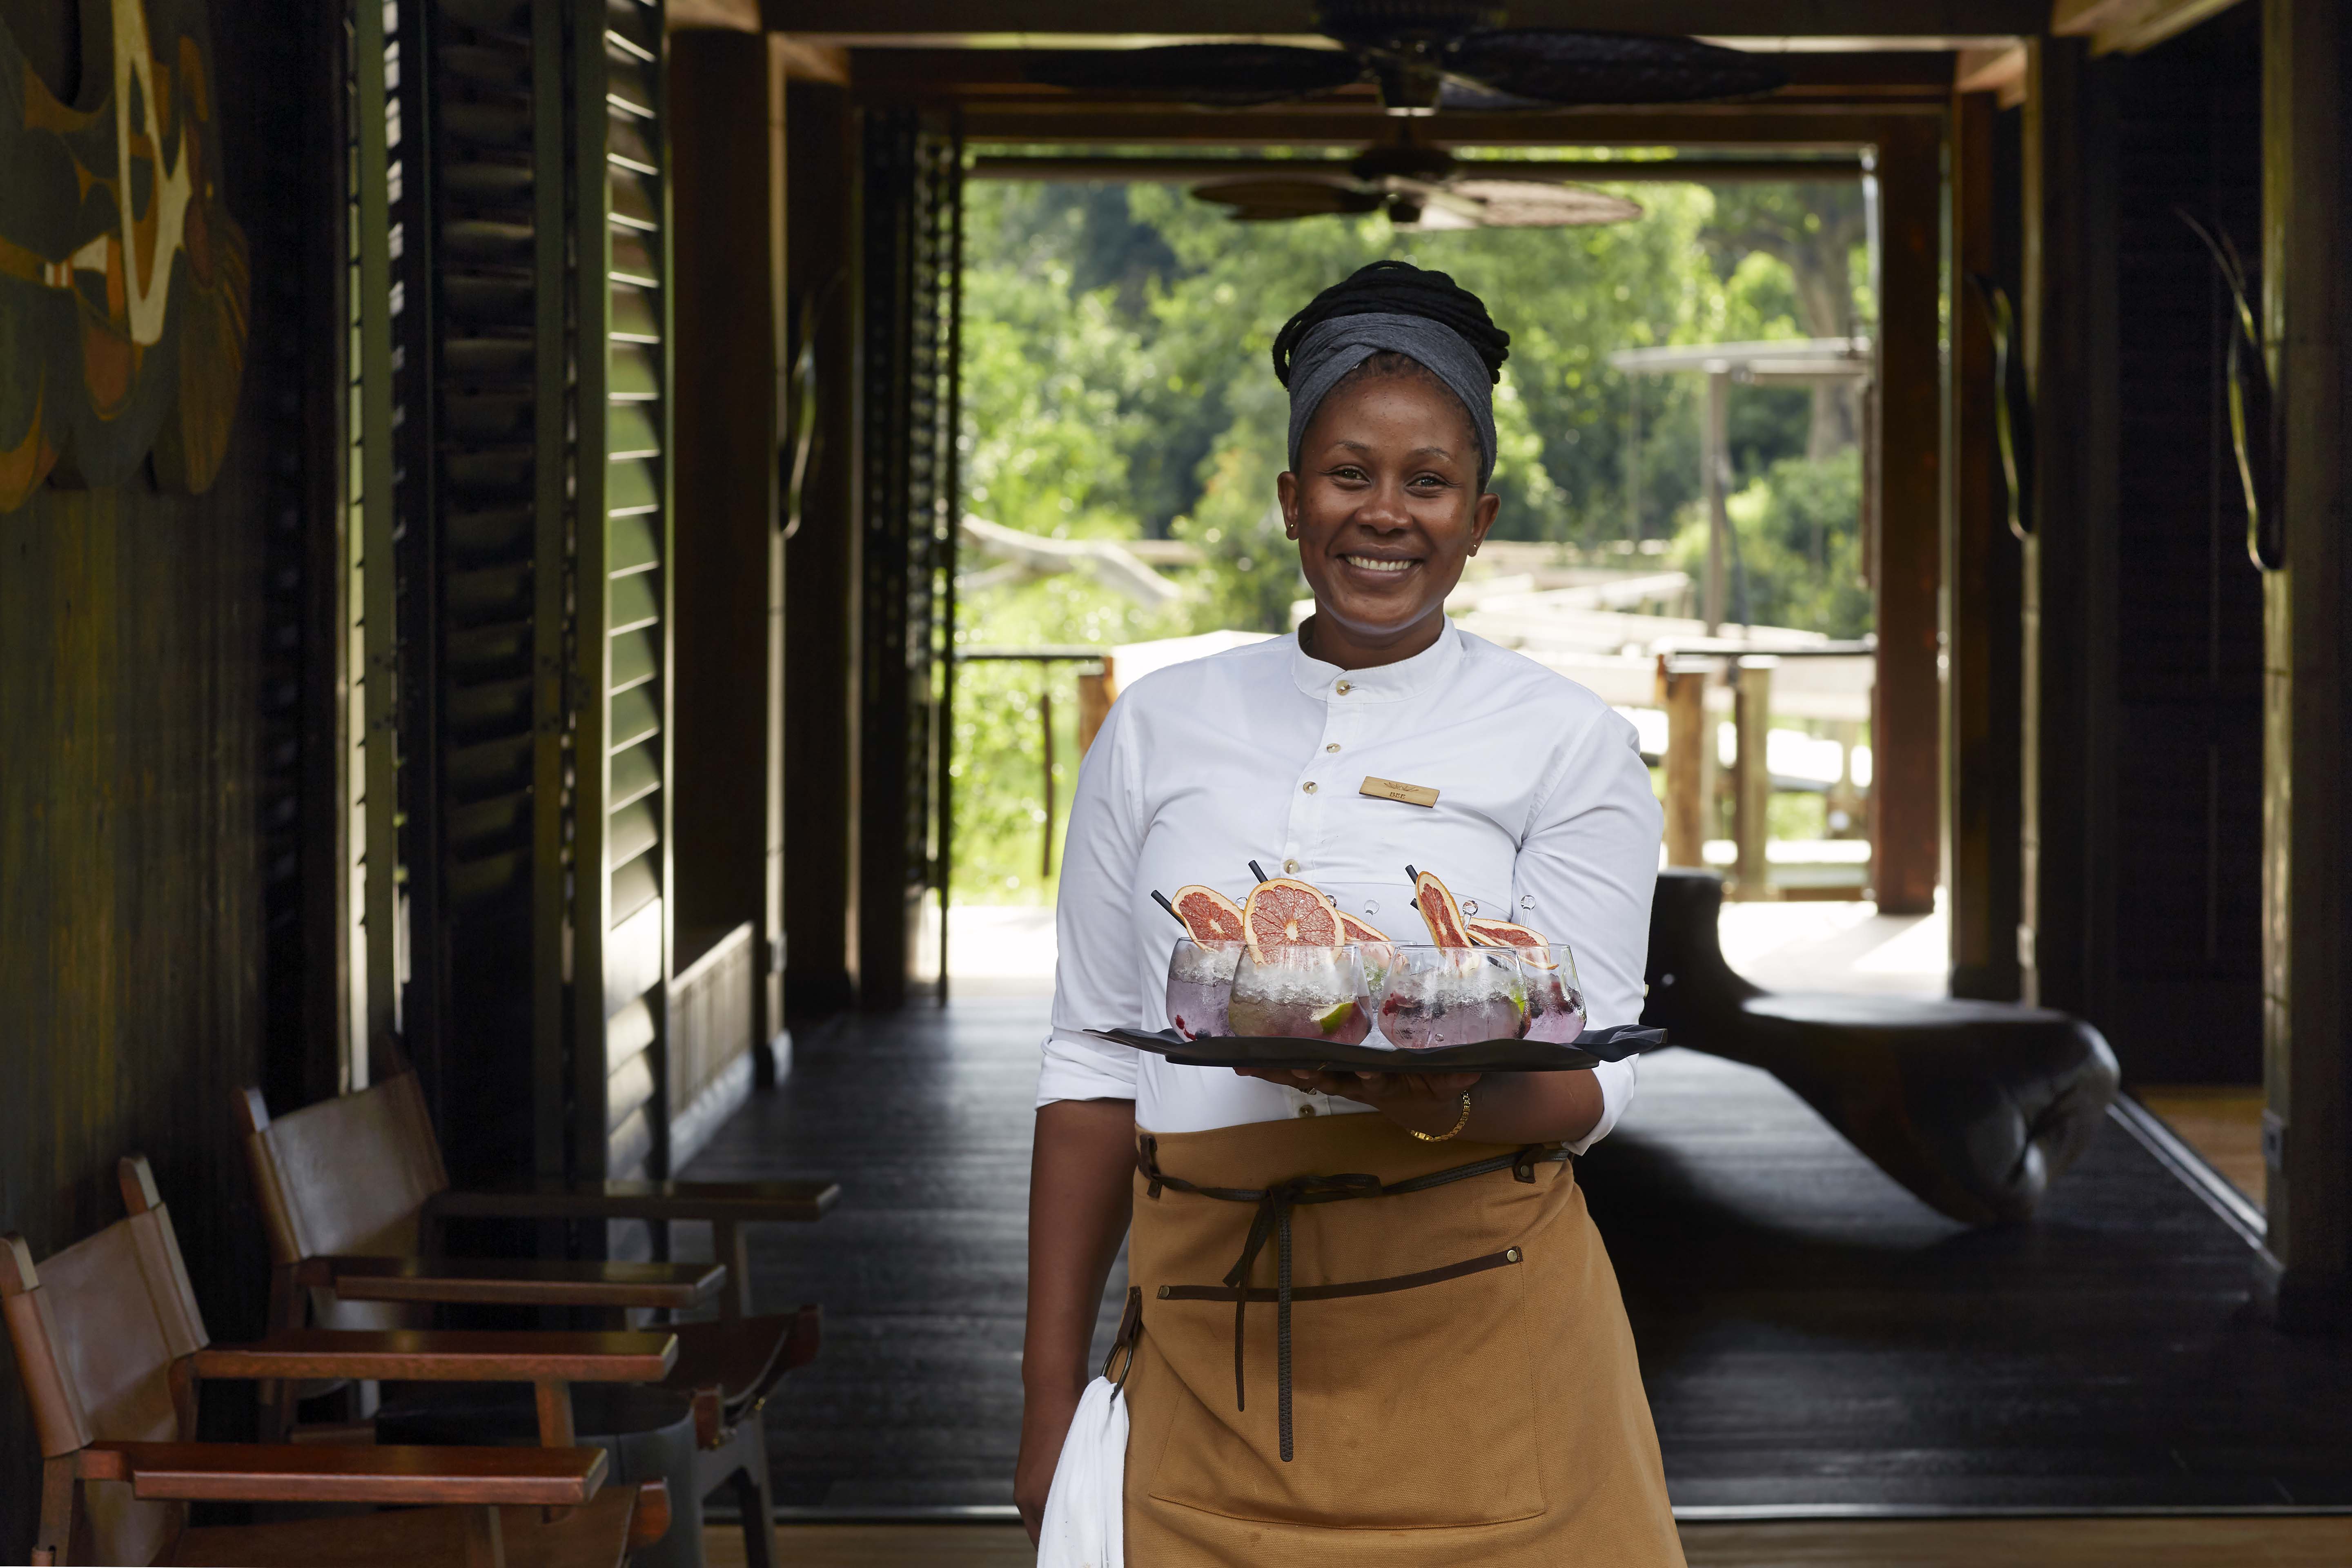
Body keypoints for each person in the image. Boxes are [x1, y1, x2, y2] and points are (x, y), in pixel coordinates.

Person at [1018, 260, 1683, 1565]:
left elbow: (1599, 1082)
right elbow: (1091, 1058)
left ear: (1478, 514)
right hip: (1211, 1346)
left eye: (1428, 482)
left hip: (1490, 1350)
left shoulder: (1565, 741)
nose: (1387, 515)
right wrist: (1049, 1397)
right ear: (1289, 500)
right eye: (1348, 474)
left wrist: (1421, 1091)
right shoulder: (1161, 728)